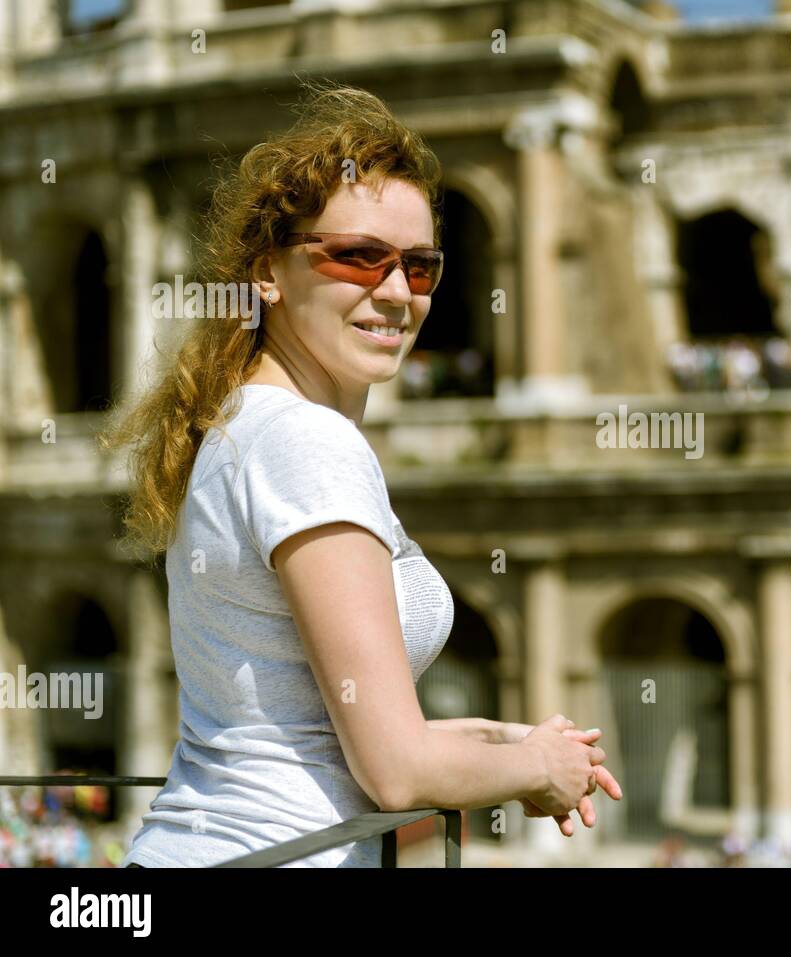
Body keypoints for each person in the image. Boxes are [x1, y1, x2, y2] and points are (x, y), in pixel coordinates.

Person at [99, 81, 620, 867]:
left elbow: (308, 732)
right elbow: (395, 771)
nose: (395, 291)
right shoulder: (307, 442)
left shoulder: (243, 422)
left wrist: (505, 740)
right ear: (268, 271)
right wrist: (538, 770)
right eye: (357, 257)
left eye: (419, 266)